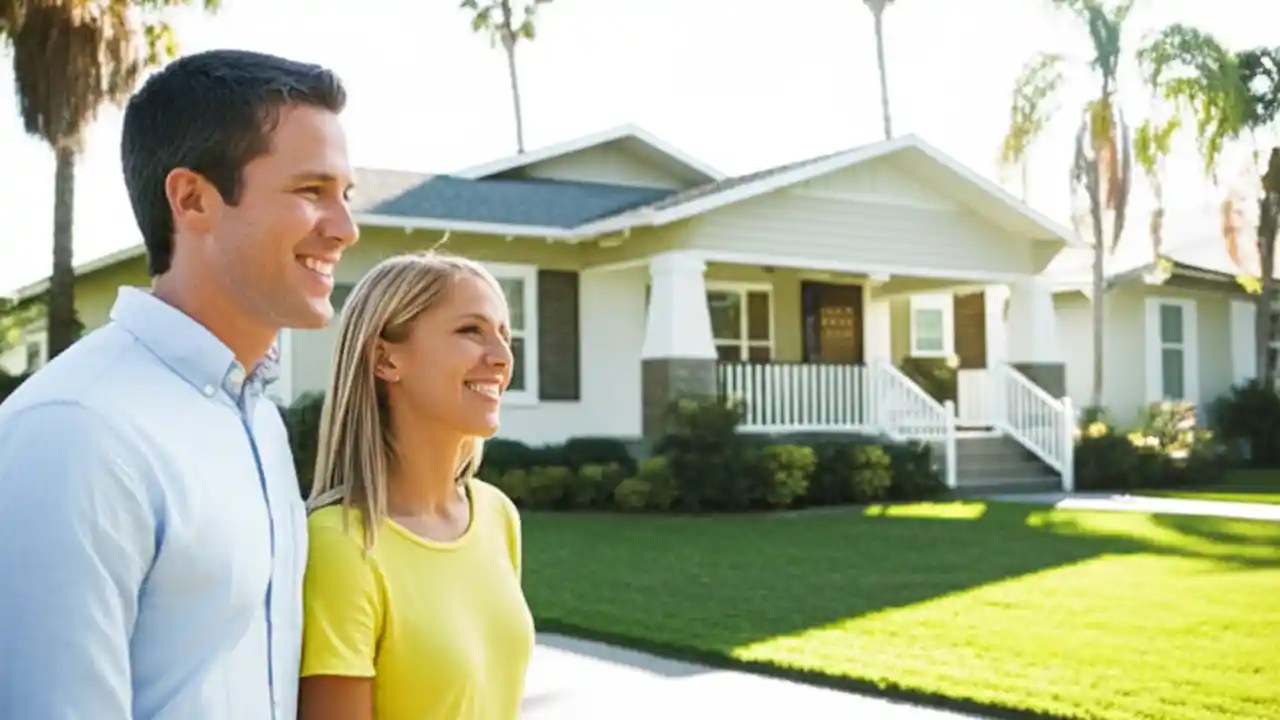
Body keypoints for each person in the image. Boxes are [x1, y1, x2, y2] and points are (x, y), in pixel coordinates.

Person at [0, 49, 357, 719]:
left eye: (346, 195)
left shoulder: (257, 420)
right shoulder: (76, 433)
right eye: (312, 192)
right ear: (193, 199)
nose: (345, 228)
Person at [297, 252, 535, 720]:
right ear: (386, 358)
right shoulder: (342, 545)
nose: (502, 357)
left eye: (504, 336)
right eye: (472, 331)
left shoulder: (496, 515)